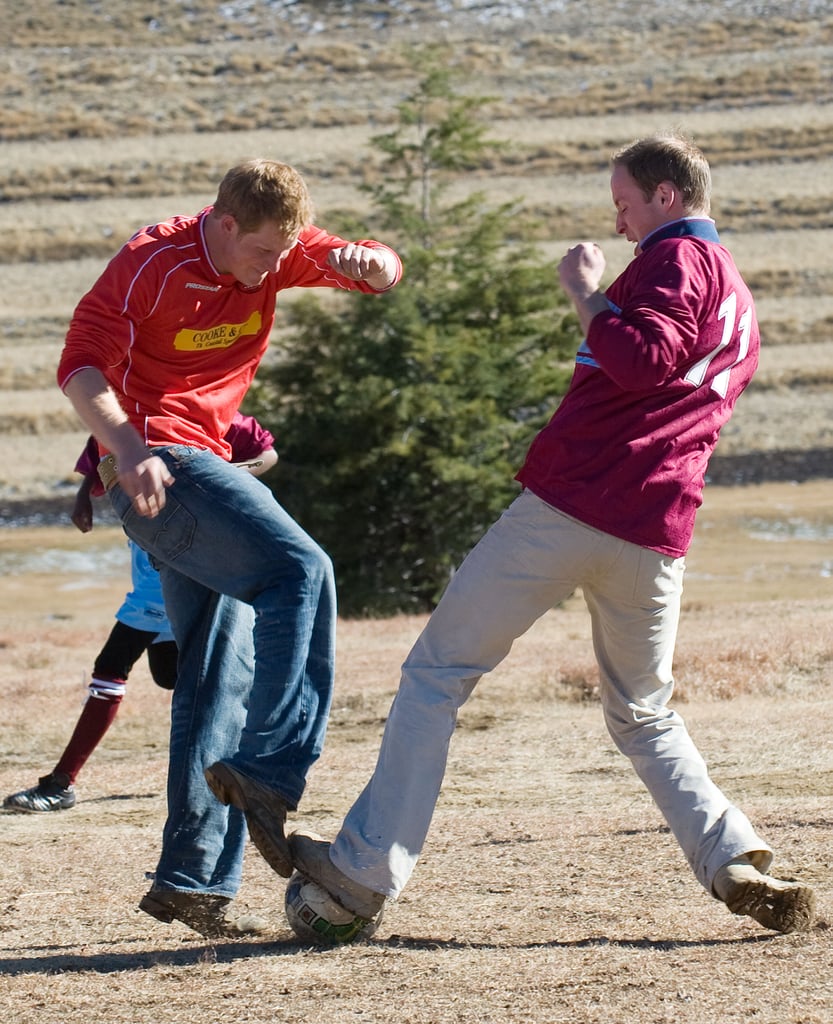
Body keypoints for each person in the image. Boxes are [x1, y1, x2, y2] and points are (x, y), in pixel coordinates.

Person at [290, 133, 817, 937]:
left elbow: (641, 360)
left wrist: (584, 292)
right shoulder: (736, 295)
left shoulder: (679, 262)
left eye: (625, 202)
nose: (616, 218)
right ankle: (730, 856)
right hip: (656, 532)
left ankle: (360, 874)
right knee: (642, 713)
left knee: (436, 675)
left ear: (667, 198)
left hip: (572, 507)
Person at [56, 159, 402, 939]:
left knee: (215, 672)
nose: (272, 271)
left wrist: (371, 264)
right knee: (301, 571)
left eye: (284, 255)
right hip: (159, 466)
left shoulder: (276, 246)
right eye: (260, 255)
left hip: (195, 464)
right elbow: (78, 362)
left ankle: (193, 881)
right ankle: (275, 770)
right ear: (222, 222)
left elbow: (374, 269)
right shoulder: (151, 263)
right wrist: (124, 443)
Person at [3, 414, 277, 815]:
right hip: (148, 557)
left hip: (185, 563)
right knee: (173, 673)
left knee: (112, 665)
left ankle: (61, 783)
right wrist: (84, 495)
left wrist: (227, 473)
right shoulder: (125, 412)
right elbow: (102, 454)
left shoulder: (210, 410)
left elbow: (266, 454)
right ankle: (263, 740)